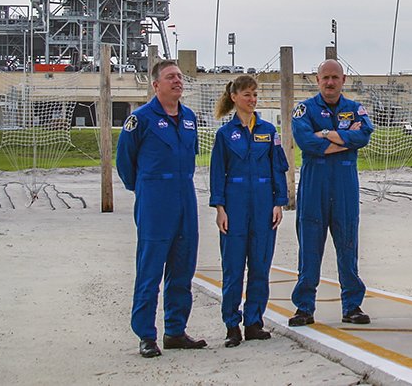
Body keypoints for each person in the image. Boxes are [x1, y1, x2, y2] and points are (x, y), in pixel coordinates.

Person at [117, 60, 206, 358]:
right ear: (156, 85)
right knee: (151, 269)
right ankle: (146, 334)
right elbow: (125, 162)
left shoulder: (190, 117)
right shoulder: (140, 119)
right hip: (155, 200)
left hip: (185, 198)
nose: (177, 81)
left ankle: (175, 330)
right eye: (170, 77)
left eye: (179, 76)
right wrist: (145, 188)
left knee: (183, 267)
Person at [288, 59, 375, 327]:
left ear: (343, 80)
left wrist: (325, 133)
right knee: (310, 247)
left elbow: (364, 135)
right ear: (317, 80)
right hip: (314, 183)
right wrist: (345, 140)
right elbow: (307, 142)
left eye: (335, 77)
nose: (330, 82)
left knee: (348, 245)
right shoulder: (304, 110)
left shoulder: (354, 109)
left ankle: (352, 306)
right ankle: (304, 307)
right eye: (325, 77)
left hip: (345, 184)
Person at [209, 75, 290, 348]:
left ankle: (254, 322)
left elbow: (278, 167)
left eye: (255, 94)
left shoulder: (268, 131)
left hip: (264, 205)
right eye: (247, 95)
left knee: (260, 265)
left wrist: (279, 202)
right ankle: (232, 325)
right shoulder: (224, 135)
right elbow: (217, 173)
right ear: (234, 97)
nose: (252, 99)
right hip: (235, 205)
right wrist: (220, 208)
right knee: (233, 268)